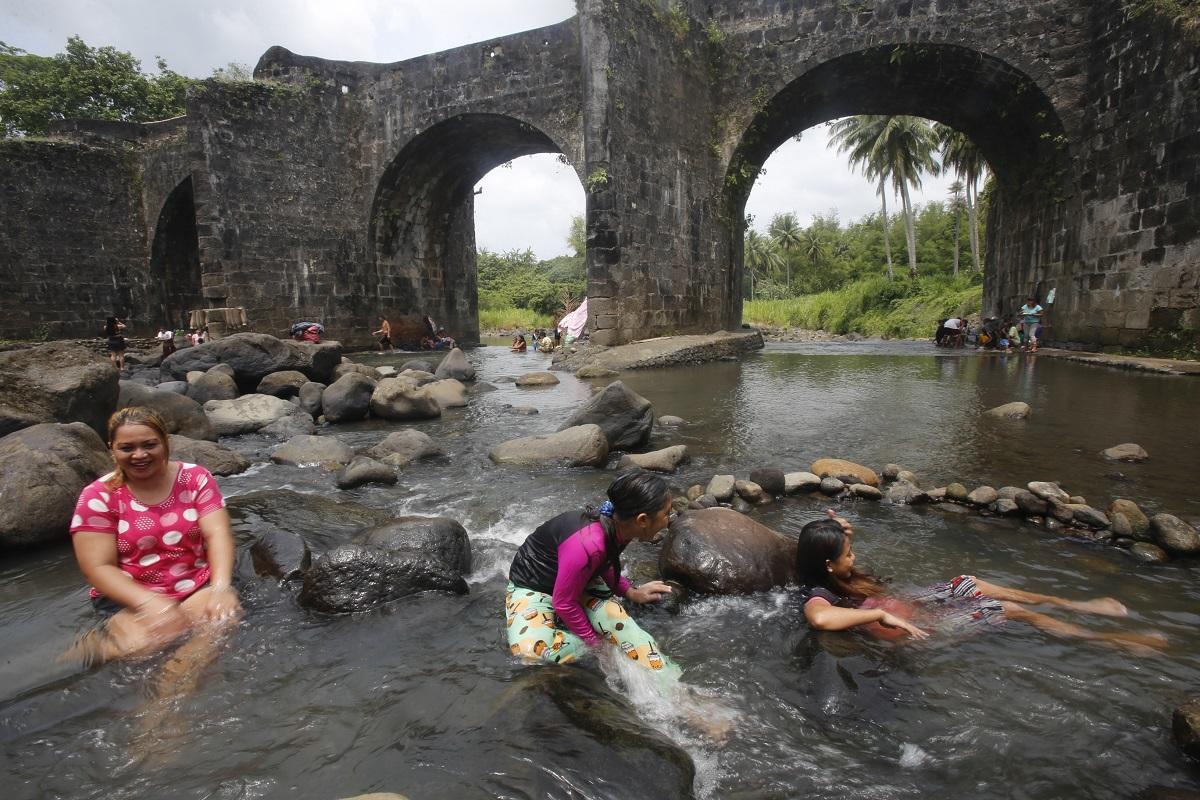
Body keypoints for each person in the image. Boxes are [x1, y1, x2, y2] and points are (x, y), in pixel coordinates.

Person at [795, 512, 1166, 654]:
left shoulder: (833, 571)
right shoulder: (820, 592)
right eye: (848, 553)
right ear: (828, 564)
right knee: (1006, 609)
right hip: (916, 629)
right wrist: (881, 617)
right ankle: (1106, 640)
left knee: (967, 582)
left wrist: (842, 531)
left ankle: (1068, 603)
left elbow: (838, 555)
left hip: (907, 604)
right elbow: (820, 618)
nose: (854, 557)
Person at [66, 407, 241, 665]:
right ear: (112, 448)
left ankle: (171, 691)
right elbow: (97, 567)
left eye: (149, 445)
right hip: (129, 594)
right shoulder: (98, 495)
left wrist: (221, 587)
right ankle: (86, 649)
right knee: (143, 647)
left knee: (219, 622)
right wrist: (150, 603)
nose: (139, 455)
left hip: (194, 582)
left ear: (165, 442)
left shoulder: (195, 478)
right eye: (127, 448)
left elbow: (218, 534)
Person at [505, 471, 679, 675]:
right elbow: (564, 603)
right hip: (534, 586)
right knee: (529, 653)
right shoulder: (591, 543)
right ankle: (592, 643)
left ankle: (671, 681)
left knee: (622, 625)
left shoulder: (620, 527)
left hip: (581, 580)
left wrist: (630, 592)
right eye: (666, 513)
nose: (669, 520)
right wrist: (595, 644)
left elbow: (604, 562)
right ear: (642, 520)